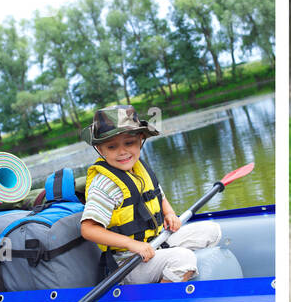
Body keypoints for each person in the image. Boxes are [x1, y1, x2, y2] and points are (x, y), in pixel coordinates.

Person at [79, 107, 222, 282]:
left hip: (156, 242)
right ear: (100, 150)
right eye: (112, 146)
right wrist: (132, 244)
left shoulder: (139, 169)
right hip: (129, 262)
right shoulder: (105, 185)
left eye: (129, 143)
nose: (122, 151)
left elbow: (159, 195)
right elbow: (88, 229)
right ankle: (163, 298)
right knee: (184, 259)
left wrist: (169, 214)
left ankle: (172, 269)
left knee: (212, 231)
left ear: (140, 140)